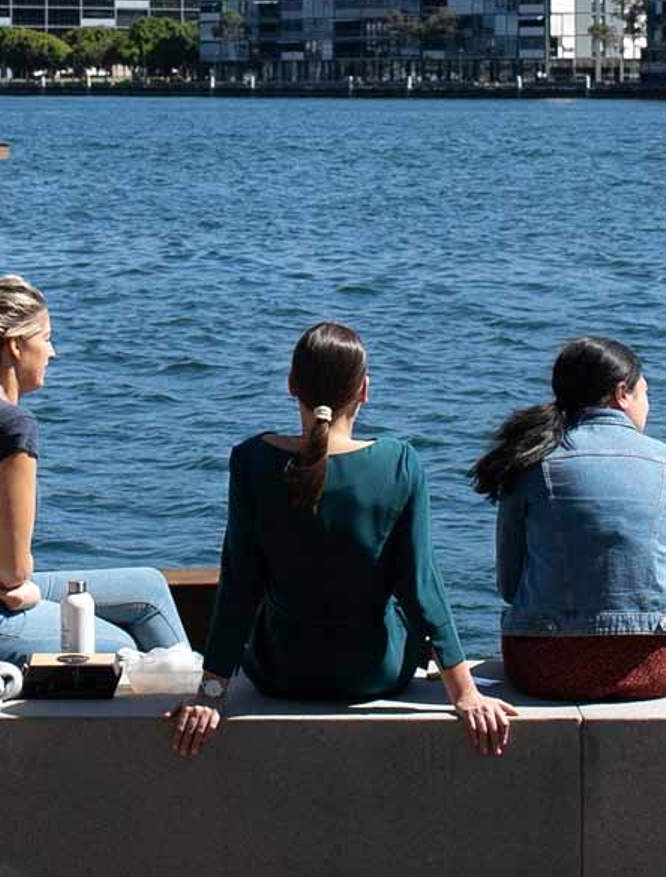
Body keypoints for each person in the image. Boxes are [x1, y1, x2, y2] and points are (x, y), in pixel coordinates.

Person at [169, 323, 514, 757]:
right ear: (365, 390)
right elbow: (421, 588)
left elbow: (240, 583)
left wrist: (212, 692)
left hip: (280, 672)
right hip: (373, 673)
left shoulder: (252, 460)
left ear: (292, 385)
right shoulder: (398, 464)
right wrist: (465, 693)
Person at [0, 262, 190, 664]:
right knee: (126, 649)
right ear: (16, 345)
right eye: (45, 338)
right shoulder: (9, 426)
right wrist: (27, 592)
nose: (52, 351)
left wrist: (24, 587)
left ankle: (191, 698)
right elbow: (12, 575)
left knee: (148, 589)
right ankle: (197, 708)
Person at [472, 336, 666, 702]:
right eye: (645, 393)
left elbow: (510, 584)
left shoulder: (530, 460)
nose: (648, 405)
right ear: (621, 393)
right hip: (657, 665)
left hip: (544, 666)